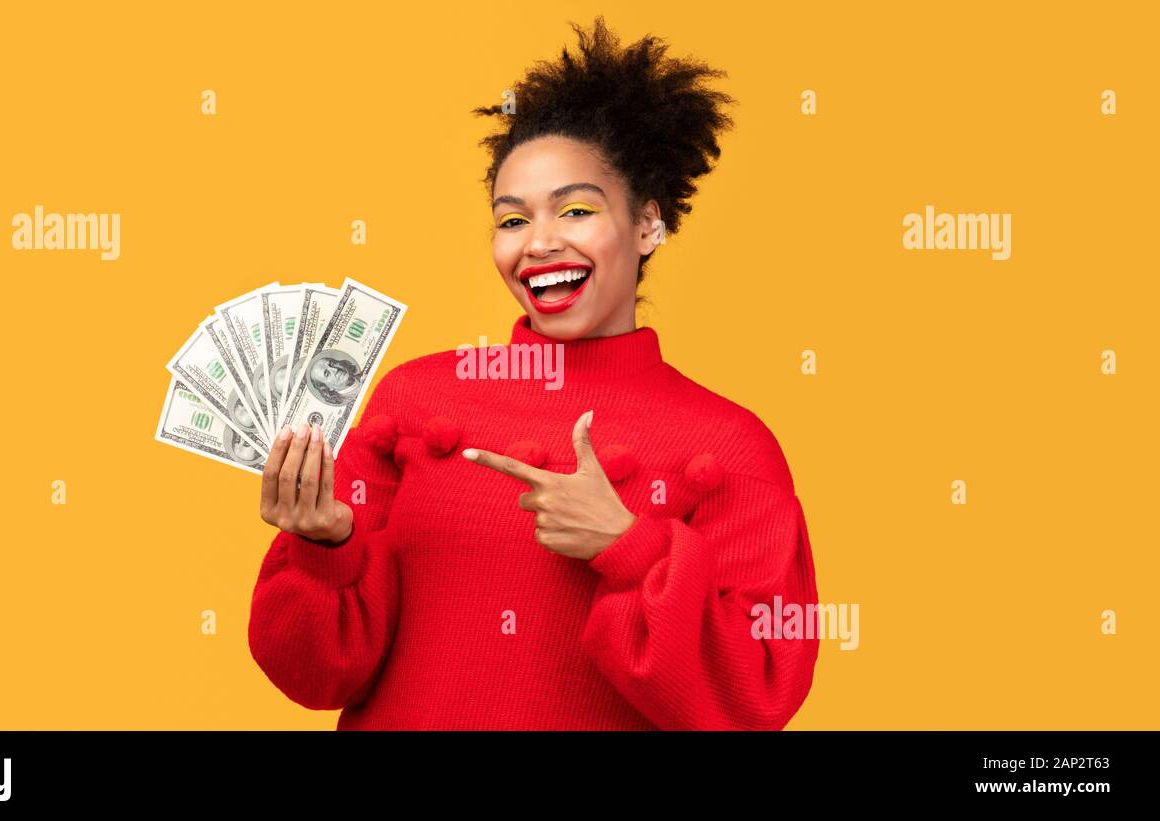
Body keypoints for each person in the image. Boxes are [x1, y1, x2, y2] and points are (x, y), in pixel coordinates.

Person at [248, 16, 820, 730]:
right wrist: (324, 548)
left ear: (647, 226)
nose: (540, 242)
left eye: (576, 210)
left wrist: (628, 545)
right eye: (512, 220)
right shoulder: (413, 397)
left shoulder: (732, 445)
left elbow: (751, 699)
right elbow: (316, 675)